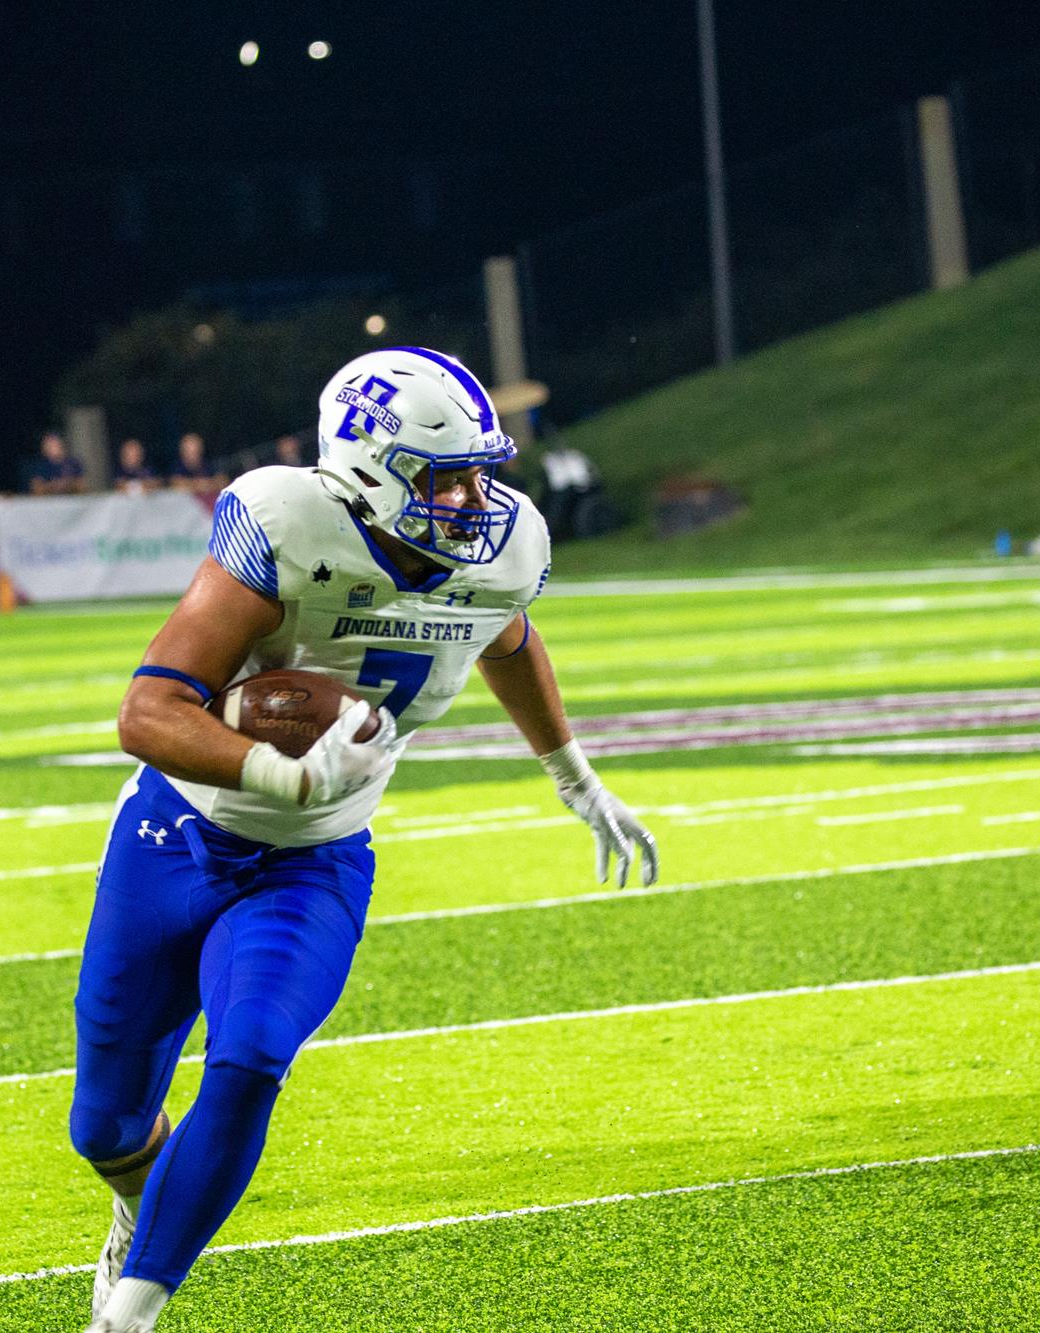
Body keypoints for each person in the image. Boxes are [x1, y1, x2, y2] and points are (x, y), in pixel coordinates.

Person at [71, 347, 657, 1333]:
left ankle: (129, 1312)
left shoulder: (503, 549)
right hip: (175, 833)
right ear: (368, 471)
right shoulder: (289, 531)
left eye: (482, 471)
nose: (477, 497)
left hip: (314, 859)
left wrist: (573, 775)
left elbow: (506, 637)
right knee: (106, 1126)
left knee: (253, 1051)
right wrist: (279, 770)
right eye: (447, 477)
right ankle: (140, 1197)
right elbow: (146, 711)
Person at [167, 432, 228, 498]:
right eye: (188, 450)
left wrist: (208, 484)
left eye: (195, 450)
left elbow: (223, 481)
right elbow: (175, 484)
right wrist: (199, 485)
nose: (192, 455)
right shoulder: (177, 466)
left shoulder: (207, 464)